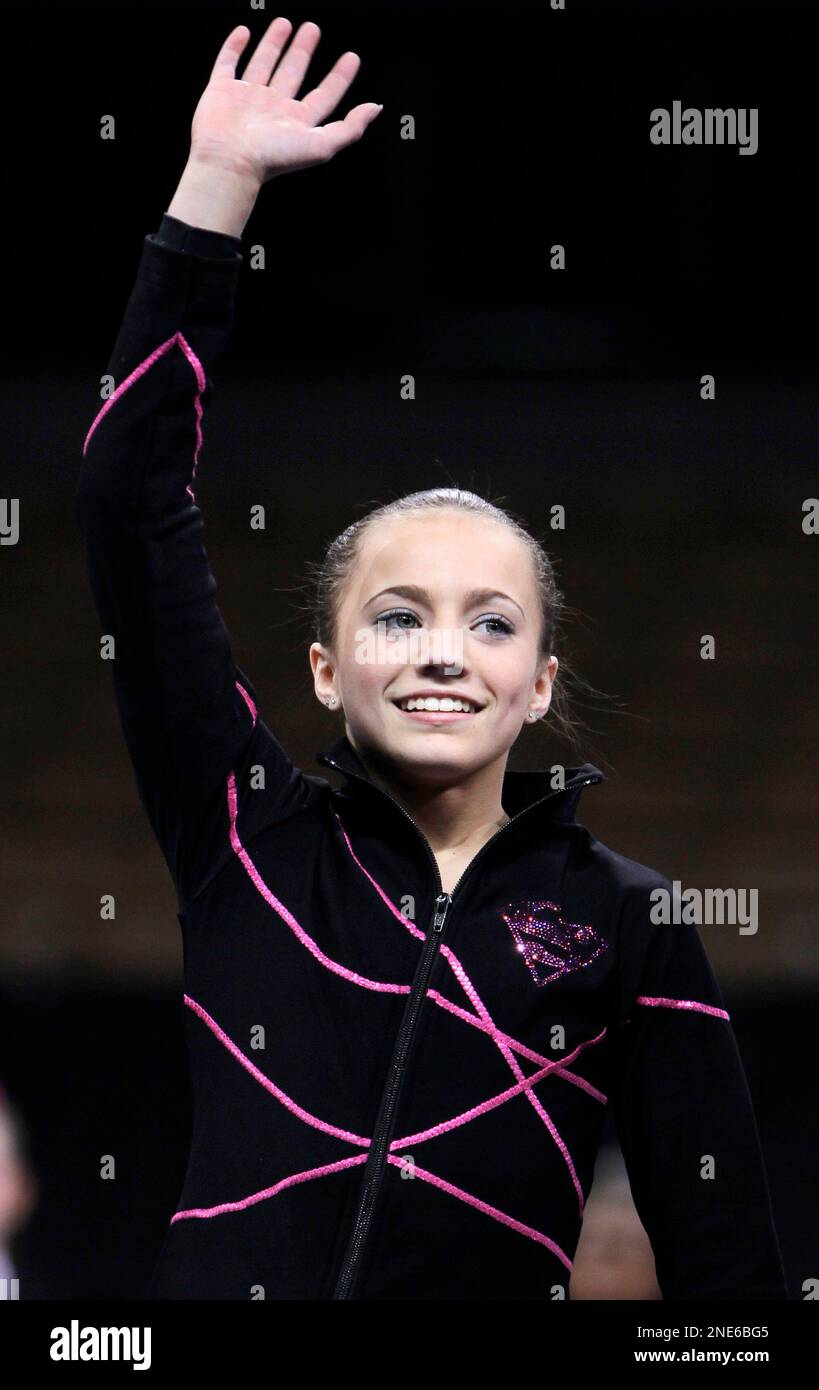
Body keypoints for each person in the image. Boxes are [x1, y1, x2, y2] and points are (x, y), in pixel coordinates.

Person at [75, 16, 788, 1301]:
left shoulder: (630, 917)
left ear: (544, 685)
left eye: (493, 622)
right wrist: (216, 189)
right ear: (323, 669)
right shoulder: (246, 836)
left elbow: (725, 1272)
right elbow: (127, 496)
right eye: (396, 617)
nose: (446, 652)